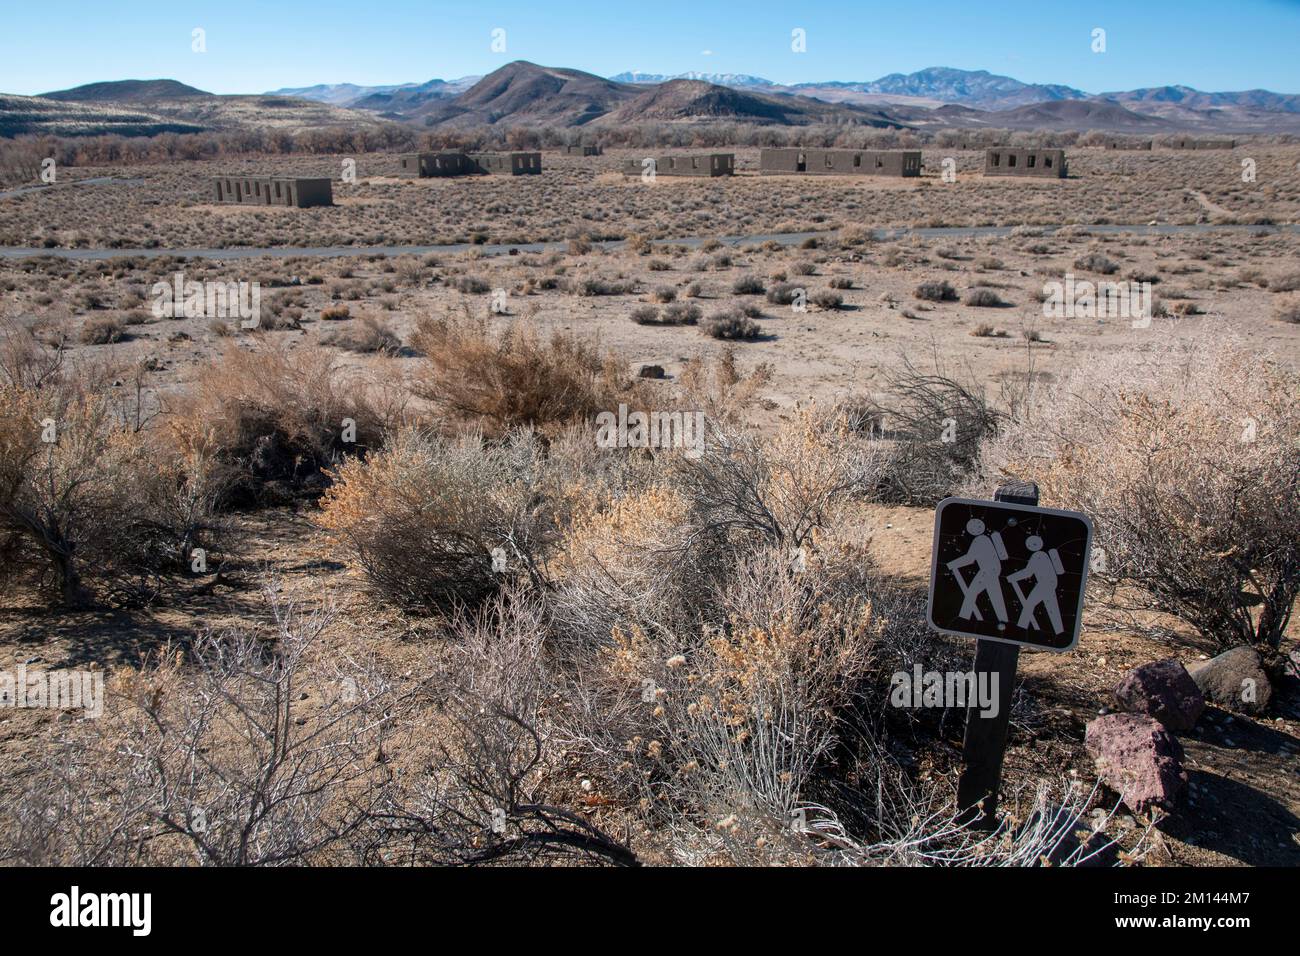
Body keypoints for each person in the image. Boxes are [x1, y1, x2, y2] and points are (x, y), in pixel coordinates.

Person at [946, 518, 1009, 623]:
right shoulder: (985, 538)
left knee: (971, 593)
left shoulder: (980, 540)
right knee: (995, 596)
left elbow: (970, 559)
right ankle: (1004, 620)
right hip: (993, 570)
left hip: (987, 570)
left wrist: (951, 564)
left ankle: (964, 619)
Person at [1006, 535, 1066, 634]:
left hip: (1044, 584)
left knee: (1029, 604)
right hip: (1050, 583)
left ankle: (1021, 628)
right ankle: (1059, 631)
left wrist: (1012, 577)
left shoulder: (1038, 556)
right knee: (1052, 607)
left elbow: (1028, 572)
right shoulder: (1043, 555)